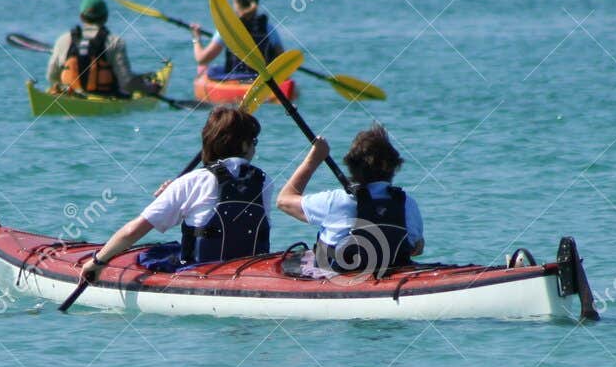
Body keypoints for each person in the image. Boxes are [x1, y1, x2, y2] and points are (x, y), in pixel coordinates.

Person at [80, 107, 275, 283]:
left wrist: (97, 261)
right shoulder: (265, 181)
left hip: (201, 270)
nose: (255, 148)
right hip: (250, 270)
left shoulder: (192, 181)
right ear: (242, 145)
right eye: (254, 141)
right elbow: (228, 196)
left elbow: (133, 231)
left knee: (152, 255)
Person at [277, 125, 424, 278]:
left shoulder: (337, 200)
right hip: (393, 269)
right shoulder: (407, 202)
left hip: (341, 274)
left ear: (352, 166)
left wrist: (314, 159)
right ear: (394, 165)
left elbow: (283, 200)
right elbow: (417, 248)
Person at [46, 0, 159, 96]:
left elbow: (52, 76)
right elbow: (127, 83)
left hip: (72, 96)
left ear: (81, 17)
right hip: (106, 97)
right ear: (106, 17)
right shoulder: (115, 42)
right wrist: (148, 88)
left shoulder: (63, 40)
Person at [192, 0, 283, 81]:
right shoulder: (268, 28)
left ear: (236, 3)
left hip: (236, 80)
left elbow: (201, 59)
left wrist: (196, 38)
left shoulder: (227, 28)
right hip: (263, 80)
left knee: (205, 71)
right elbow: (282, 61)